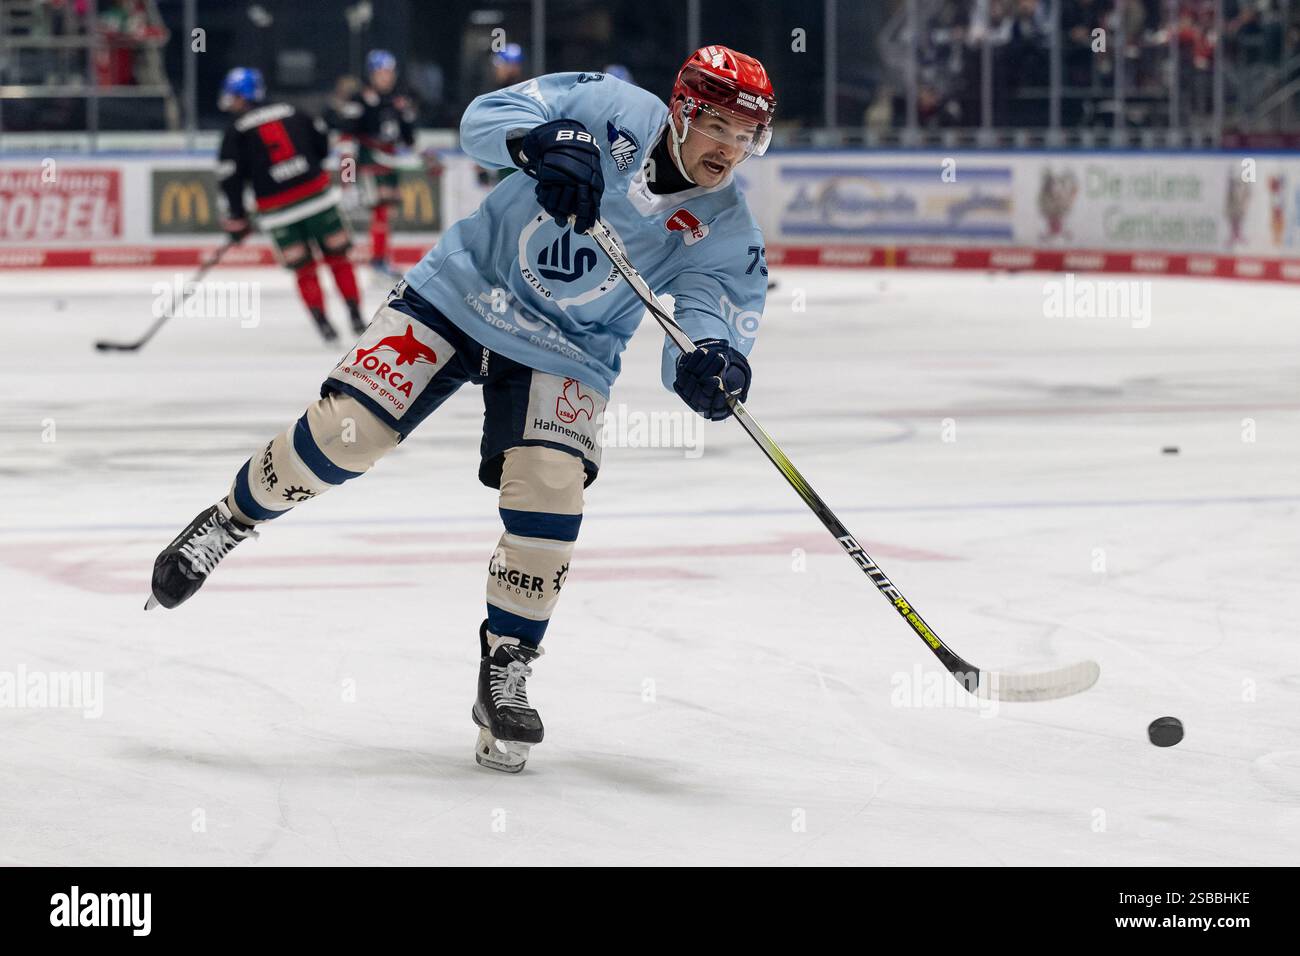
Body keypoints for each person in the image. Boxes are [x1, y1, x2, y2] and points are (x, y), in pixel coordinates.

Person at [147, 45, 776, 774]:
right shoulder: (605, 106)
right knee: (346, 434)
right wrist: (541, 141)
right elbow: (483, 119)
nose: (729, 150)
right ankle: (231, 519)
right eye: (719, 127)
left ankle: (506, 666)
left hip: (567, 350)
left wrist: (712, 362)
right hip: (462, 292)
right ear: (682, 111)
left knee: (550, 489)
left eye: (746, 136)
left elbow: (706, 318)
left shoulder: (726, 228)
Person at [216, 67, 365, 342]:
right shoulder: (293, 111)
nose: (231, 103)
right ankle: (356, 315)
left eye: (234, 96)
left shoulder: (235, 131)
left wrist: (237, 216)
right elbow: (322, 146)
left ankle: (323, 325)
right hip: (318, 199)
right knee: (339, 258)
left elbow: (231, 178)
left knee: (303, 269)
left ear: (243, 96)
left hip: (277, 213)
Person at [333, 49, 417, 280]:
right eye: (382, 72)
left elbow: (408, 139)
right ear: (372, 74)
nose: (386, 77)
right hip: (370, 161)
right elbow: (346, 141)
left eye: (390, 72)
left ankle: (380, 258)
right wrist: (347, 181)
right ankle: (377, 261)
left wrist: (407, 117)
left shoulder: (397, 100)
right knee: (379, 211)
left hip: (389, 160)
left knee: (385, 213)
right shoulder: (359, 100)